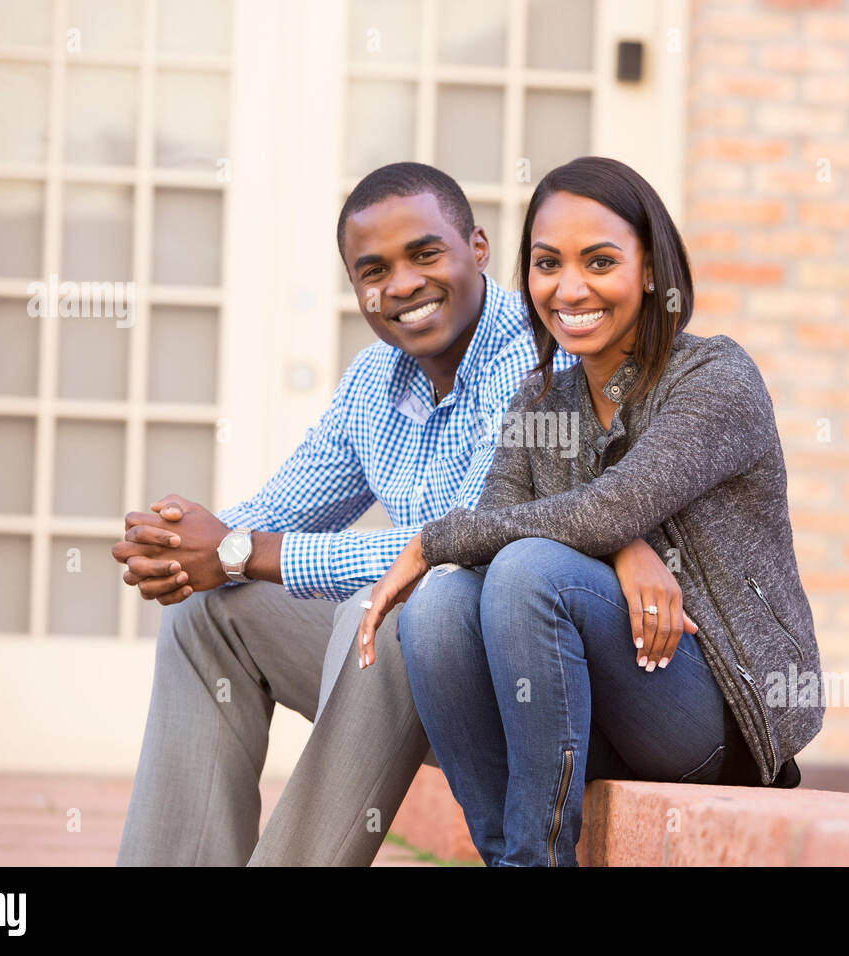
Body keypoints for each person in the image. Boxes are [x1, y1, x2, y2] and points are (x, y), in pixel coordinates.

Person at [357, 156, 822, 867]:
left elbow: (609, 507)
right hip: (582, 714)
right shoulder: (541, 404)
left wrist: (433, 539)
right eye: (547, 264)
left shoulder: (717, 379)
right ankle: (509, 857)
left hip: (716, 718)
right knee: (441, 605)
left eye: (599, 261)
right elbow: (508, 542)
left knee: (528, 569)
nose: (569, 288)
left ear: (648, 269)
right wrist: (613, 548)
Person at [111, 161, 574, 866]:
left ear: (477, 248)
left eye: (425, 254)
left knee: (406, 598)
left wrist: (235, 549)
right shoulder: (373, 381)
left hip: (513, 685)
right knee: (210, 608)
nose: (403, 286)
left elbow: (456, 544)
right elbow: (281, 509)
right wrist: (182, 545)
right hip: (403, 689)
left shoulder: (534, 359)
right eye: (373, 270)